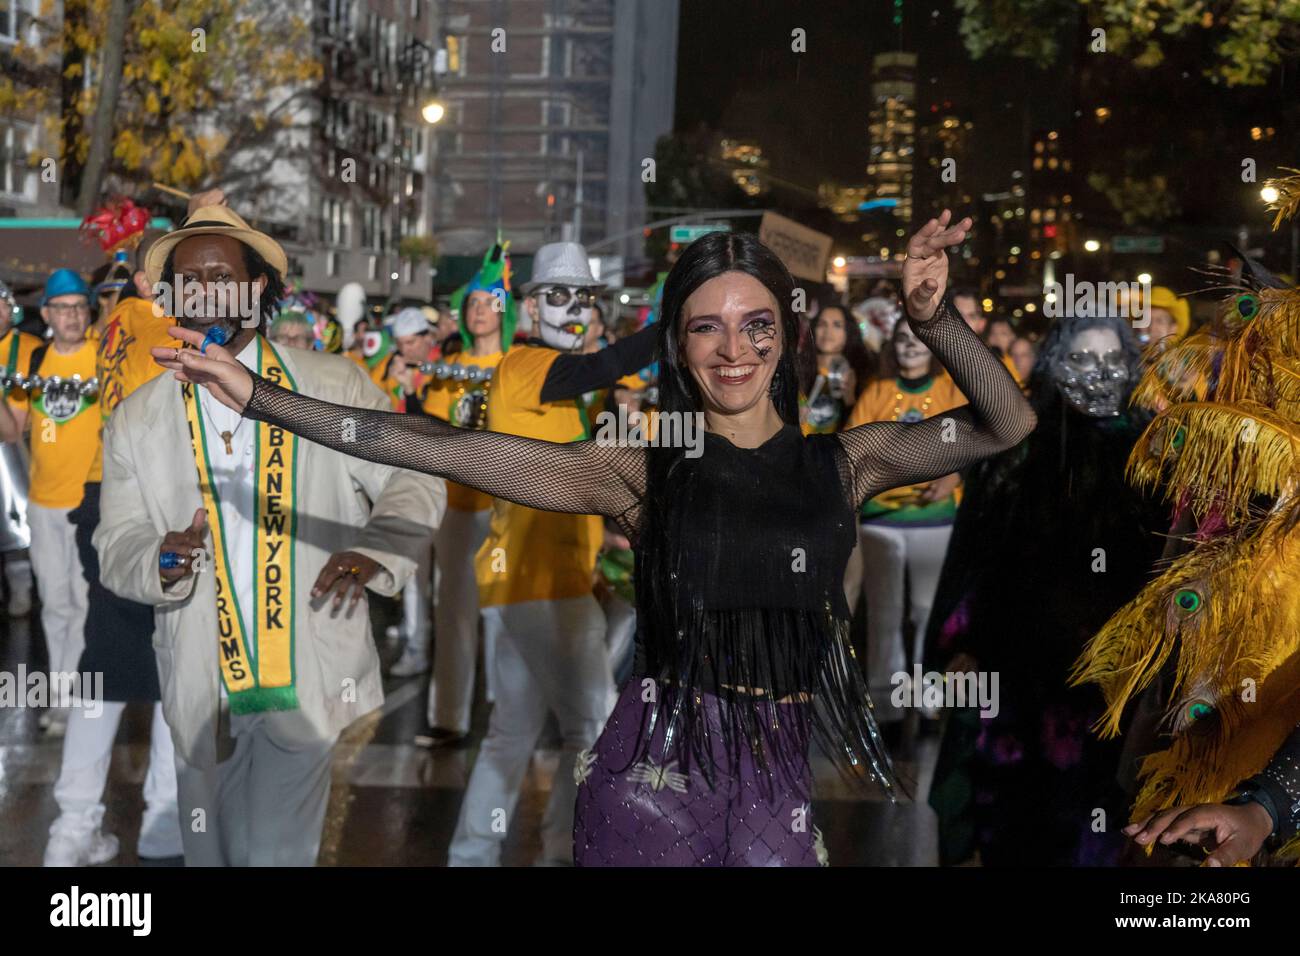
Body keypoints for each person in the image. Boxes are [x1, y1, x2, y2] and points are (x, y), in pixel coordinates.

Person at [154, 211, 1035, 867]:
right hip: (654, 773)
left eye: (756, 322)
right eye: (706, 325)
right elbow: (442, 444)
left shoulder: (849, 461)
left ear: (788, 336)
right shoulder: (639, 469)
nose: (734, 348)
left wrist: (937, 319)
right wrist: (259, 395)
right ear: (678, 347)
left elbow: (1005, 422)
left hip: (778, 771)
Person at [99, 204, 443, 866]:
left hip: (304, 675)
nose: (206, 291)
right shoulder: (137, 419)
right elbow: (118, 543)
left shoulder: (329, 384)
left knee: (276, 855)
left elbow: (415, 473)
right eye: (189, 279)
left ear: (256, 287)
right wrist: (160, 558)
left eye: (222, 274)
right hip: (204, 685)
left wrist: (374, 552)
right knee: (210, 855)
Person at [925, 311, 1164, 866]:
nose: (1098, 374)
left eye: (1112, 360)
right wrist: (965, 645)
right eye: (1081, 358)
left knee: (1096, 828)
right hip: (1019, 677)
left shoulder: (1154, 452)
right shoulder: (1020, 444)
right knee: (1015, 822)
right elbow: (979, 555)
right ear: (1056, 367)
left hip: (1111, 683)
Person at [45, 236, 186, 866]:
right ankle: (157, 821)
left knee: (105, 664)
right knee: (171, 666)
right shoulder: (158, 323)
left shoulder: (117, 324)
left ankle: (73, 828)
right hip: (151, 507)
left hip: (108, 501)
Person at [844, 320, 969, 721]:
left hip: (937, 520)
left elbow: (980, 442)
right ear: (892, 347)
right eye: (901, 339)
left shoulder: (952, 390)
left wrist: (954, 476)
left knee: (928, 612)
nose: (909, 346)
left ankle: (929, 702)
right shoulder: (876, 393)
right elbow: (850, 451)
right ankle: (887, 707)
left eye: (917, 339)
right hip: (882, 520)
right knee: (884, 612)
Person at [417, 241, 515, 747]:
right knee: (450, 612)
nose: (479, 311)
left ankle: (505, 714)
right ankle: (448, 718)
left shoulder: (518, 366)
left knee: (502, 616)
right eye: (473, 303)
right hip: (454, 508)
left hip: (505, 510)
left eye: (489, 302)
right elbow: (428, 438)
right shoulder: (447, 369)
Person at [0, 269, 99, 737]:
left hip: (91, 502)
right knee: (54, 603)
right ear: (47, 315)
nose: (72, 316)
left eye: (79, 307)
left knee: (83, 602)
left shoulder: (104, 358)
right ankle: (61, 698)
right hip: (43, 501)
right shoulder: (36, 361)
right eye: (63, 308)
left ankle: (81, 699)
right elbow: (11, 430)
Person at [0, 278, 38, 617]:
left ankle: (21, 590)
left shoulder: (29, 347)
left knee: (16, 522)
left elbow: (16, 426)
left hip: (15, 448)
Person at [796, 302, 871, 435]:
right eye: (822, 324)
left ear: (849, 331)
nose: (828, 331)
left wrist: (850, 399)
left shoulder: (862, 374)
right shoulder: (795, 369)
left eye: (837, 325)